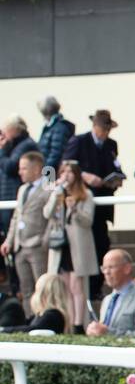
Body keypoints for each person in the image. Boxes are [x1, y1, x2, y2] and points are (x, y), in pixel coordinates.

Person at [62, 110, 125, 297]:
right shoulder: (79, 141)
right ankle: (89, 288)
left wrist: (116, 179)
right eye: (102, 128)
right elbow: (65, 165)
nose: (104, 133)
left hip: (103, 202)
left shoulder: (111, 145)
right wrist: (84, 175)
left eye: (107, 129)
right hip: (83, 199)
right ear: (94, 126)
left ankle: (96, 287)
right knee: (85, 247)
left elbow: (115, 166)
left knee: (101, 243)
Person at [43, 161, 95, 329]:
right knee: (64, 287)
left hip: (77, 246)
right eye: (63, 172)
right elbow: (47, 213)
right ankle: (68, 324)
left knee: (76, 286)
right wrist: (55, 194)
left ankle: (79, 323)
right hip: (61, 245)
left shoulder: (86, 195)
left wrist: (75, 209)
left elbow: (88, 221)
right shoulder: (58, 194)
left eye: (70, 172)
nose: (67, 175)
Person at [2, 150, 50, 314]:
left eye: (24, 168)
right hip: (20, 245)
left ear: (37, 169)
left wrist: (45, 240)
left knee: (41, 287)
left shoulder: (47, 187)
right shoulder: (22, 189)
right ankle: (30, 319)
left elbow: (53, 218)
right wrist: (9, 241)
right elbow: (16, 217)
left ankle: (43, 317)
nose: (20, 172)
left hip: (38, 245)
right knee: (26, 288)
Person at [85, 249, 135, 338]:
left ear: (127, 268)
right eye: (104, 268)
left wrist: (108, 333)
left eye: (111, 267)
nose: (107, 272)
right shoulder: (107, 300)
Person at [0, 116, 39, 239]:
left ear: (14, 130)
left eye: (5, 130)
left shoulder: (25, 145)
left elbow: (10, 167)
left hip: (13, 195)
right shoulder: (15, 145)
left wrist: (2, 151)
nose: (3, 134)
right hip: (8, 195)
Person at [36, 97, 74, 171]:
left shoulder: (59, 128)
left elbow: (56, 153)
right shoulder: (49, 127)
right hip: (48, 169)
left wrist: (46, 171)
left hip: (51, 171)